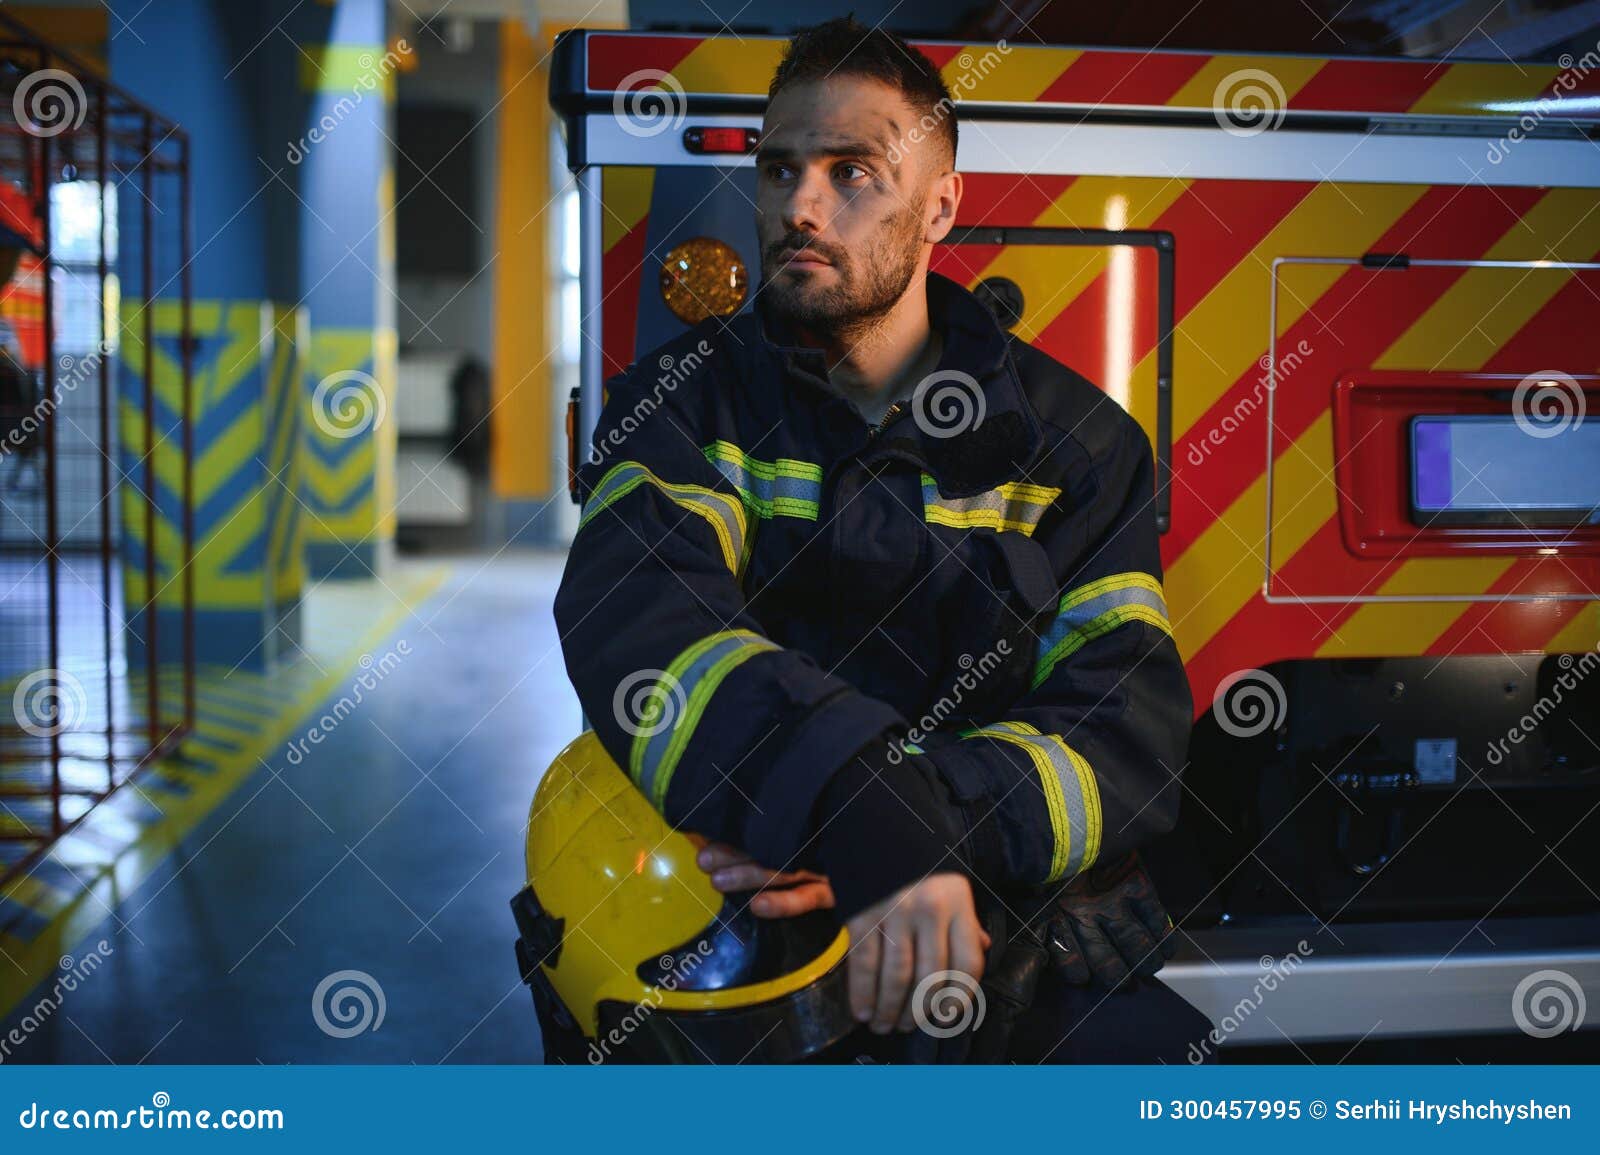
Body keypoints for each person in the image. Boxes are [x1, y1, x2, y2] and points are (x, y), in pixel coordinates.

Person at [553, 17, 1210, 1062]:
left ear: (940, 205)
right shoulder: (683, 406)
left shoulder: (1076, 446)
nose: (799, 207)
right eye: (779, 170)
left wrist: (900, 826)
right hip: (725, 922)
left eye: (850, 171)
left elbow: (1118, 731)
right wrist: (861, 822)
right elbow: (645, 631)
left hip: (975, 914)